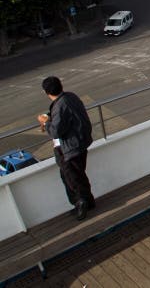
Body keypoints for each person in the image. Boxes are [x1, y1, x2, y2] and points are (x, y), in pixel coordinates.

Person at [38, 76, 95, 221]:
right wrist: (51, 117)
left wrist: (46, 123)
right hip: (81, 143)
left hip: (69, 148)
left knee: (70, 178)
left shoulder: (59, 105)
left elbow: (56, 131)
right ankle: (89, 202)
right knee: (79, 174)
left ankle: (80, 203)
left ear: (46, 92)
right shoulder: (70, 97)